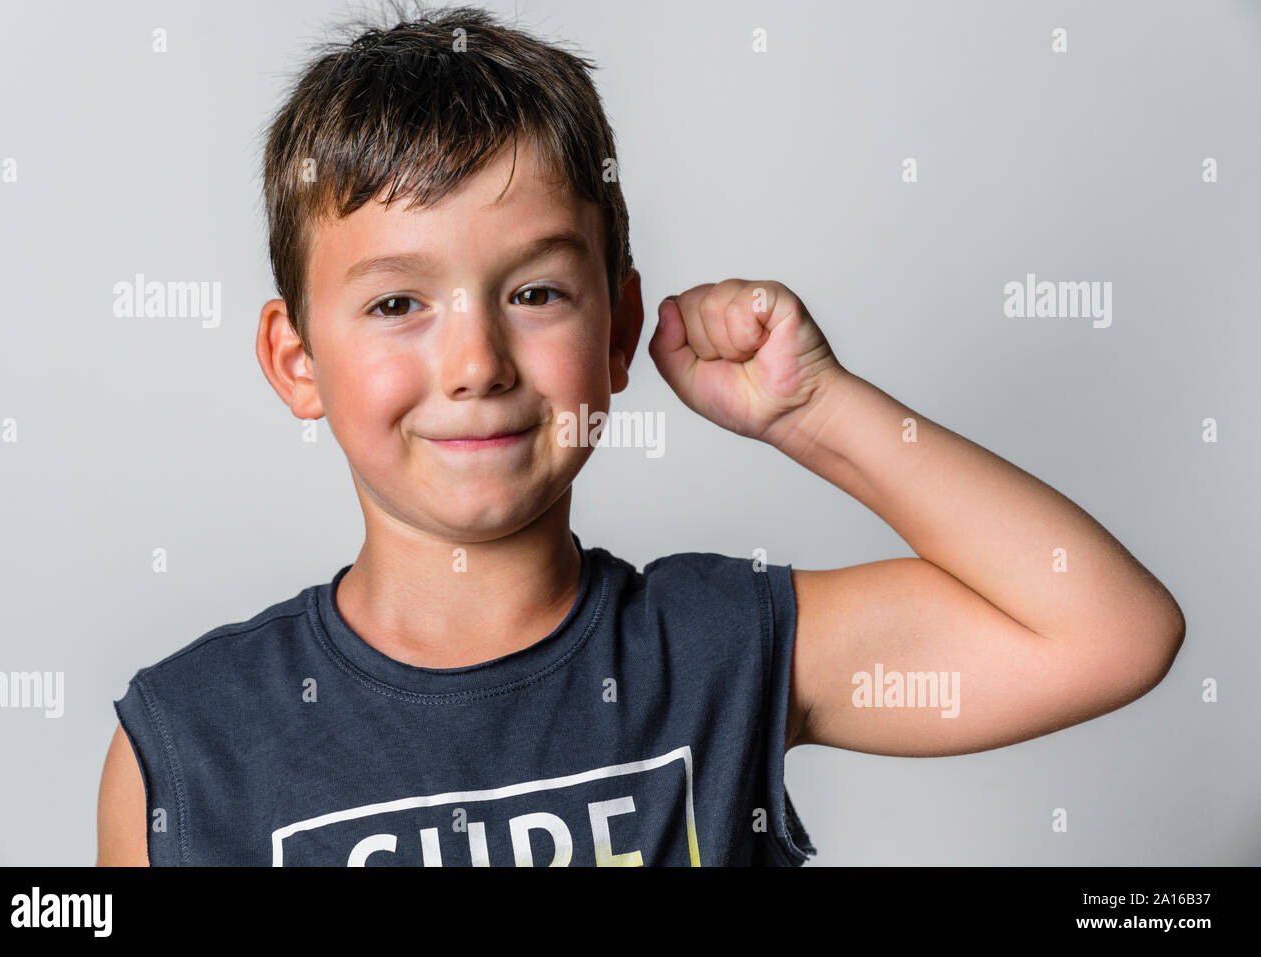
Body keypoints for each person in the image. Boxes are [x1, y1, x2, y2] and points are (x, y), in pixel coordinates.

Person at [96, 3, 1185, 866]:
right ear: (298, 362)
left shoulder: (721, 651)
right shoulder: (189, 744)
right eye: (397, 305)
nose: (477, 364)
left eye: (533, 293)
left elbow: (1107, 631)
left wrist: (815, 412)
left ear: (620, 330)